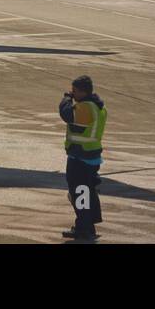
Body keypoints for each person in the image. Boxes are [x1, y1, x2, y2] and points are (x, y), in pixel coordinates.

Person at [59, 74, 106, 241]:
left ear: (84, 92)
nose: (73, 94)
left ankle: (84, 229)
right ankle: (87, 227)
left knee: (79, 194)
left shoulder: (86, 108)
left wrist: (65, 99)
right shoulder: (97, 106)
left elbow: (66, 115)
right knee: (87, 193)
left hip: (81, 157)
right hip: (90, 156)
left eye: (75, 91)